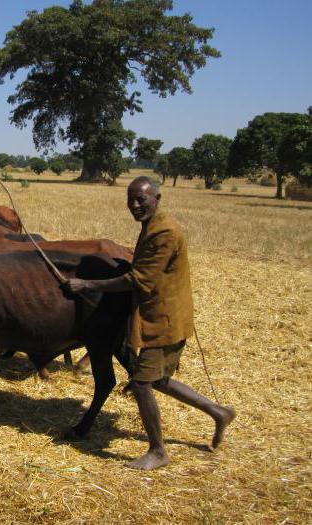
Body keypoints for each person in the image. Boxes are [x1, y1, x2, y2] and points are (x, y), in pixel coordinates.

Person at [62, 176, 235, 470]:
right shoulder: (152, 226)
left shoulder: (163, 232)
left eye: (141, 199)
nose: (134, 205)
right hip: (163, 315)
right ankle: (218, 412)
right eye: (130, 199)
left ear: (157, 198)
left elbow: (138, 279)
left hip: (163, 320)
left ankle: (158, 451)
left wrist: (88, 285)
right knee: (159, 380)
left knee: (142, 383)